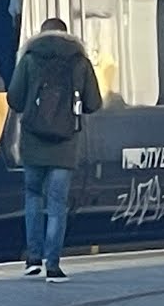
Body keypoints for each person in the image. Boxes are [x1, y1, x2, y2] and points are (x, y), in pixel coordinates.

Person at [6, 17, 102, 283]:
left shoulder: (29, 59)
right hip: (65, 144)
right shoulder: (79, 62)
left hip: (33, 142)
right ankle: (54, 265)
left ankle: (33, 259)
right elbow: (94, 103)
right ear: (66, 34)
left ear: (41, 34)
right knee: (57, 203)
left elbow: (14, 99)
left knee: (33, 196)